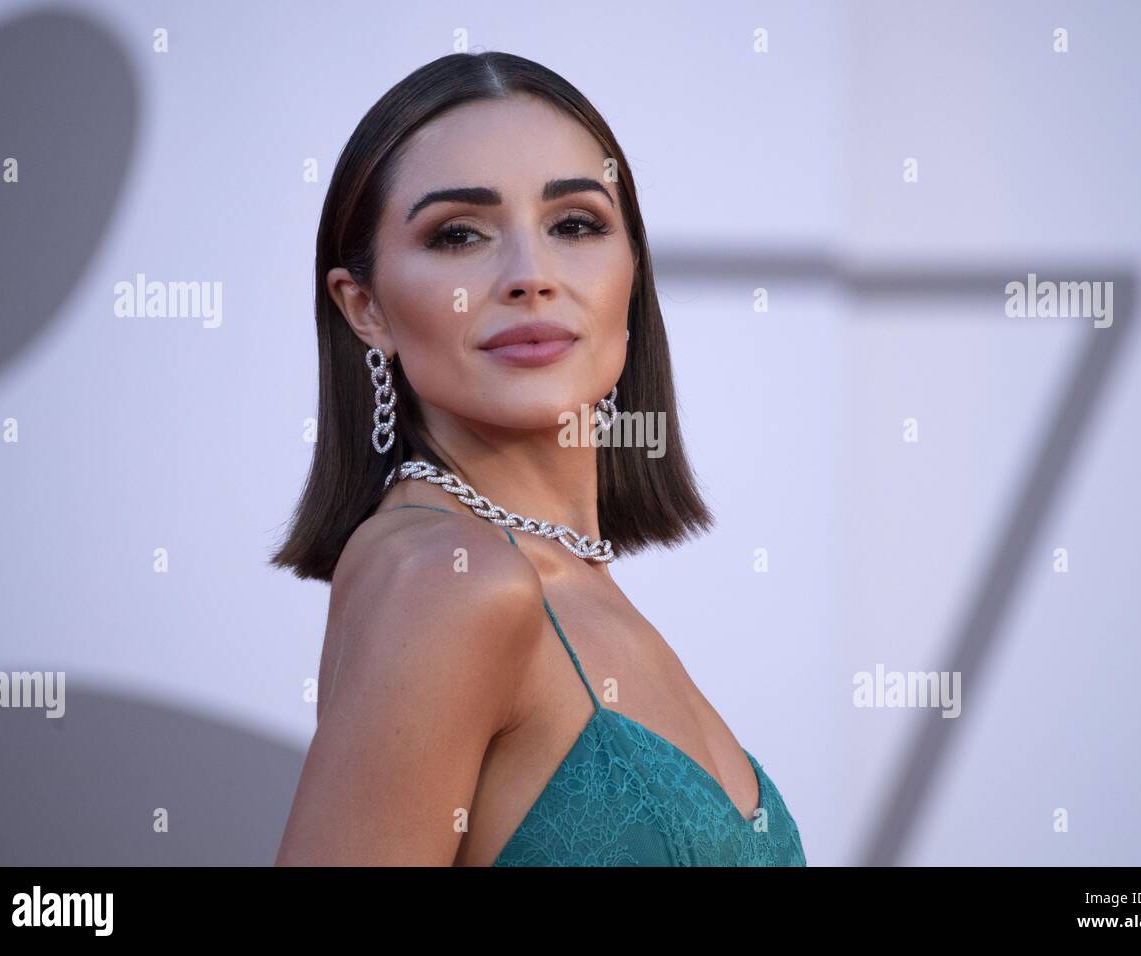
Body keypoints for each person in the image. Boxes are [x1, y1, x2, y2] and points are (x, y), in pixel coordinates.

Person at [271, 51, 806, 866]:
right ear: (365, 307)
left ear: (632, 272)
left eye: (575, 225)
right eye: (458, 235)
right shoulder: (447, 580)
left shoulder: (566, 576)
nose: (531, 276)